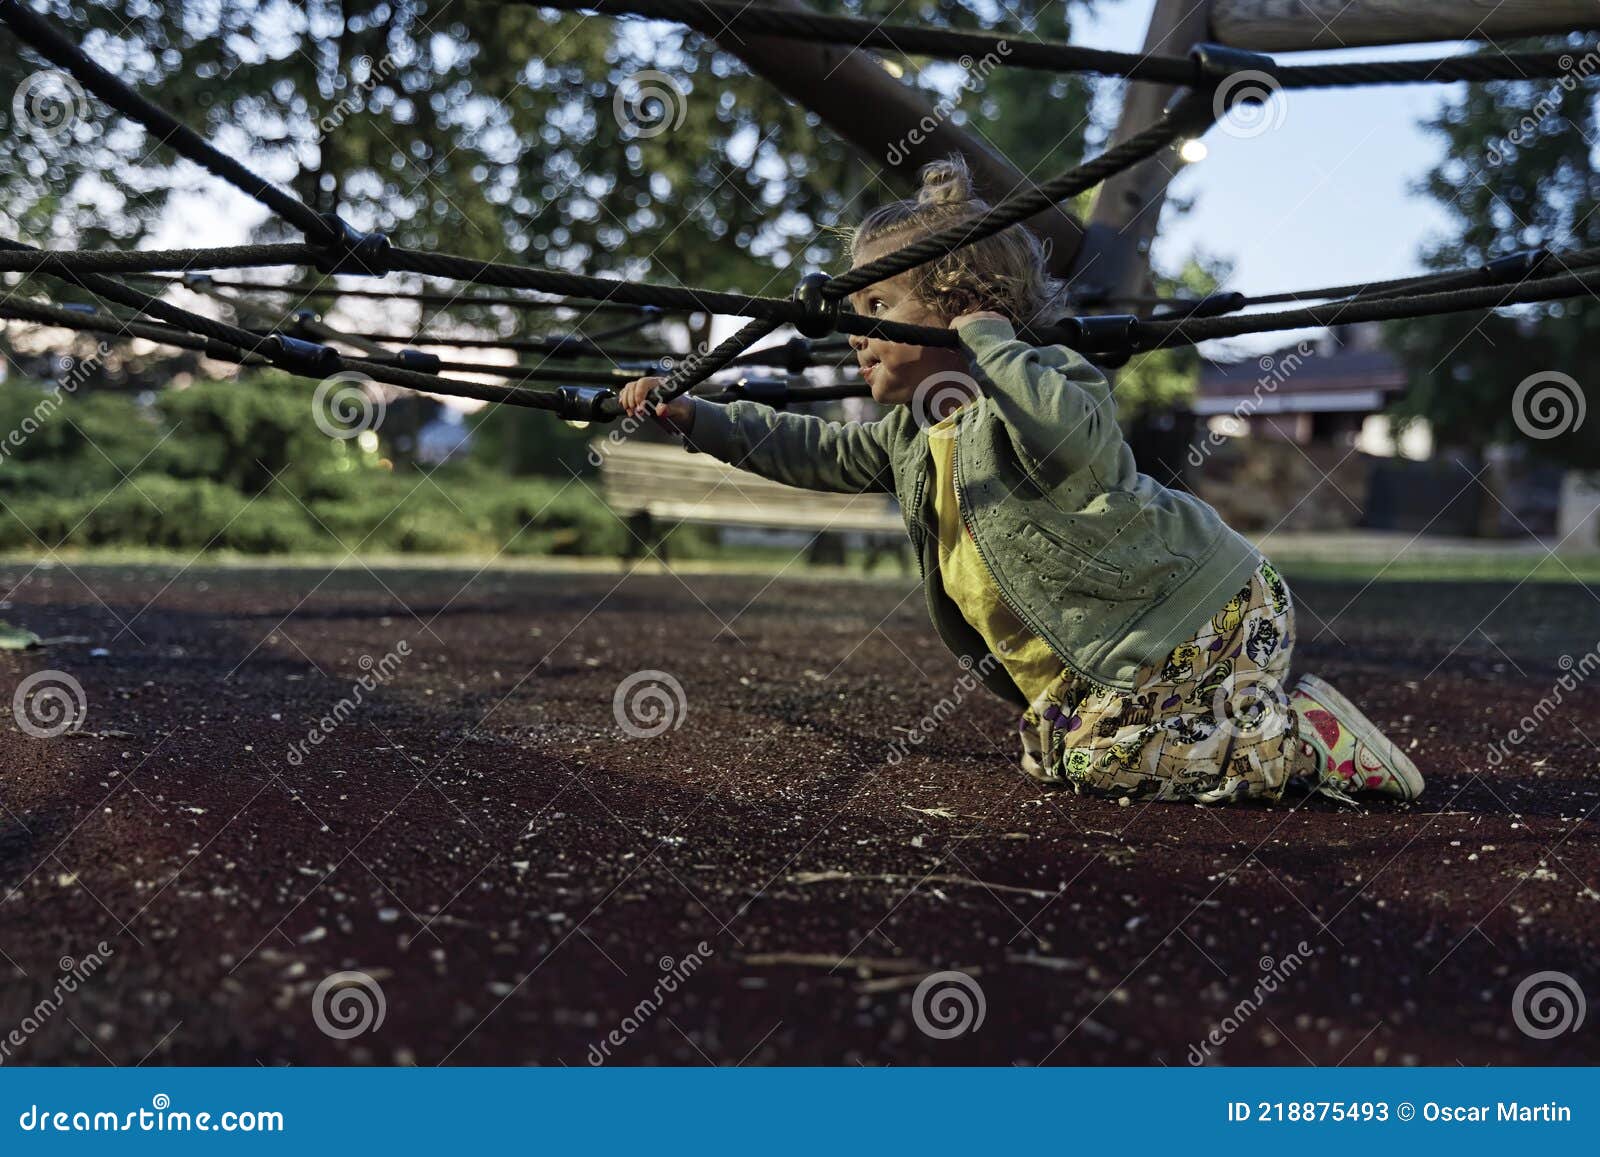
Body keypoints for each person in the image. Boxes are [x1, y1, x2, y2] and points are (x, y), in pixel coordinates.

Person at [618, 156, 1422, 807]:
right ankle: (1243, 731)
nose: (856, 331)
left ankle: (1297, 742)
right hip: (1121, 663)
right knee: (1071, 759)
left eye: (877, 303)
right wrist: (701, 418)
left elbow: (1075, 439)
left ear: (958, 304)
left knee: (1098, 766)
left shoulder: (1043, 382)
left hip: (1207, 612)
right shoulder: (908, 436)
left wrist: (994, 346)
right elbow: (814, 451)